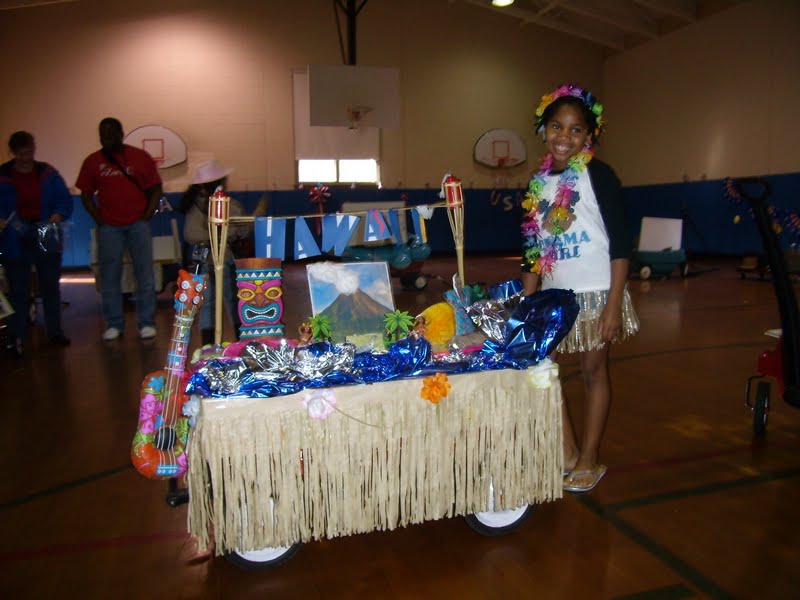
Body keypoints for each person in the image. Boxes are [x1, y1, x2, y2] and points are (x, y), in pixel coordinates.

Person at [520, 84, 639, 493]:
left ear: (589, 135)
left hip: (595, 292)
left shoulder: (598, 176)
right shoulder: (538, 184)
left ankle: (589, 458)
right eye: (557, 126)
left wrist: (611, 306)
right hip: (553, 295)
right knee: (542, 371)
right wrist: (526, 298)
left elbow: (621, 245)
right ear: (543, 129)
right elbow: (533, 248)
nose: (564, 137)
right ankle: (566, 451)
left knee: (592, 371)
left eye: (575, 129)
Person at [76, 117, 163, 341]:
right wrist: (99, 219)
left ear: (121, 134)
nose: (107, 140)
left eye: (111, 135)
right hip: (109, 228)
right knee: (109, 277)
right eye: (103, 136)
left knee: (144, 275)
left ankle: (147, 323)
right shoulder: (93, 162)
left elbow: (156, 188)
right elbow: (85, 194)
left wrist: (146, 217)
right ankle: (114, 324)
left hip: (138, 225)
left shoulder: (140, 157)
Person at [0, 131, 73, 356]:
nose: (26, 157)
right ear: (12, 153)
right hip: (14, 233)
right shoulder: (2, 175)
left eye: (29, 152)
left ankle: (54, 332)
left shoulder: (48, 173)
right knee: (18, 288)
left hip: (45, 230)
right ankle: (17, 337)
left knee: (50, 283)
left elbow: (64, 200)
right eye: (21, 154)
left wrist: (57, 215)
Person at [179, 160, 249, 345]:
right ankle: (235, 342)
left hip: (205, 259)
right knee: (230, 300)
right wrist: (224, 234)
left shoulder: (194, 207)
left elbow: (190, 234)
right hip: (219, 258)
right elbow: (241, 230)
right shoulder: (227, 204)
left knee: (212, 303)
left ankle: (208, 345)